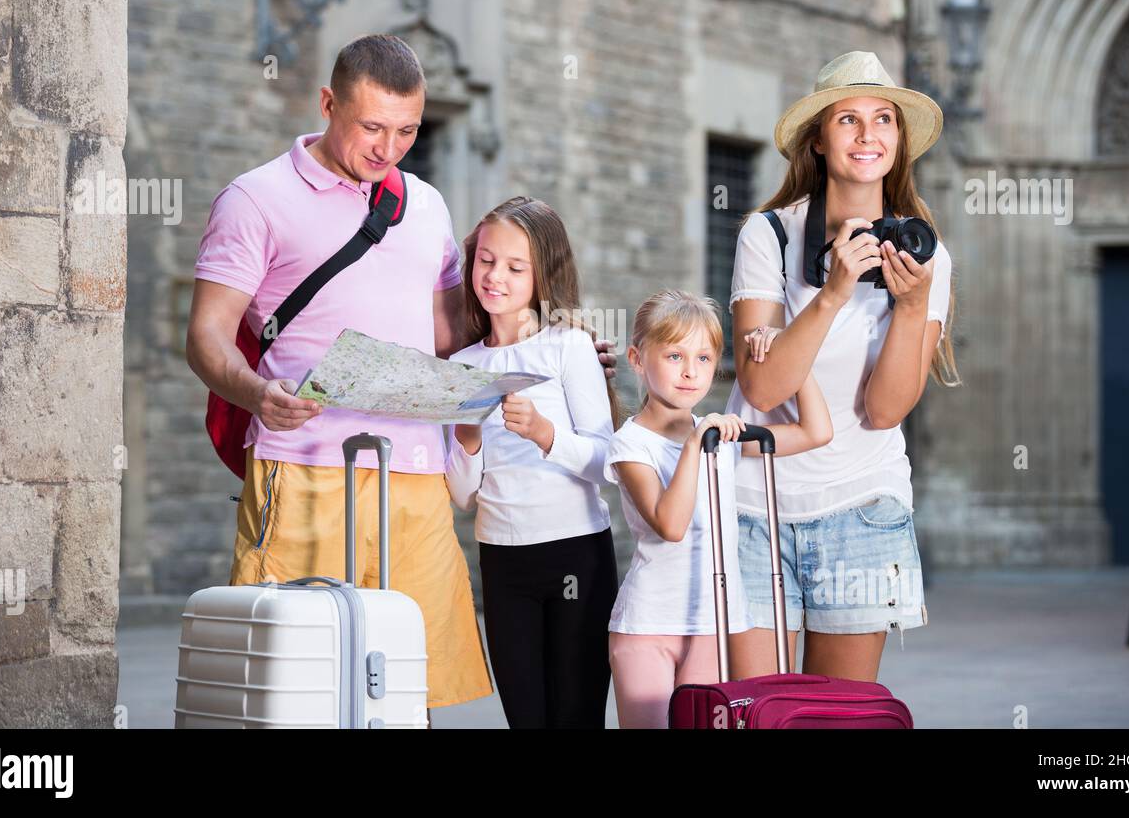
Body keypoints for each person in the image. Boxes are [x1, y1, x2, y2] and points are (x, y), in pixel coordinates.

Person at [185, 35, 616, 713]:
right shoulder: (255, 199)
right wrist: (254, 392)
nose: (389, 149)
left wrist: (559, 347)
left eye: (408, 130)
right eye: (372, 128)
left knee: (403, 687)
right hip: (303, 469)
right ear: (329, 104)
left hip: (415, 477)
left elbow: (452, 334)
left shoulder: (424, 204)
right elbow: (207, 336)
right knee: (298, 684)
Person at [726, 50, 961, 683]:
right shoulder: (768, 235)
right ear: (819, 141)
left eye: (884, 119)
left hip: (864, 506)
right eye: (848, 119)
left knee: (838, 719)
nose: (868, 135)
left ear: (899, 140)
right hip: (755, 510)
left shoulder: (924, 256)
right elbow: (762, 385)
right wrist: (831, 294)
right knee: (757, 718)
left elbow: (884, 411)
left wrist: (911, 307)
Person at [603, 290, 831, 728]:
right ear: (637, 357)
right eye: (674, 356)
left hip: (714, 620)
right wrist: (697, 443)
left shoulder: (719, 436)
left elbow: (816, 431)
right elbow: (669, 523)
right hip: (648, 624)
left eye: (704, 359)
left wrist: (789, 352)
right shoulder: (631, 443)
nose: (690, 372)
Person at [444, 197, 623, 728]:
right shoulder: (461, 364)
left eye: (515, 267)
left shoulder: (569, 348)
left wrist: (546, 435)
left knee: (576, 716)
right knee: (525, 718)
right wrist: (469, 436)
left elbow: (606, 463)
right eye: (486, 260)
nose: (495, 276)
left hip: (577, 554)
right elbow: (461, 496)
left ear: (543, 275)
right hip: (502, 561)